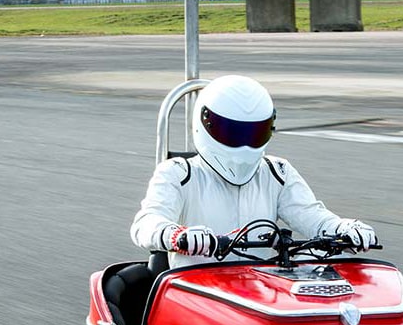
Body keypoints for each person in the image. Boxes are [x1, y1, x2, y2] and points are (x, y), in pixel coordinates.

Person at [131, 74, 377, 267]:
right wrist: (176, 235)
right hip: (192, 292)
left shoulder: (277, 172)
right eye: (233, 133)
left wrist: (344, 229)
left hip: (258, 289)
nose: (245, 144)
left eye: (254, 133)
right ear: (203, 123)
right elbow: (145, 223)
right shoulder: (178, 173)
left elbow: (312, 217)